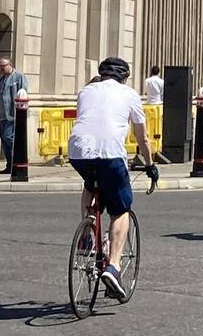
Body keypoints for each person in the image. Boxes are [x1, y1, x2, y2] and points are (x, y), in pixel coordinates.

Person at [68, 57, 158, 301]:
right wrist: (150, 165)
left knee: (90, 183)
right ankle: (114, 268)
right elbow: (143, 138)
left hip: (77, 151)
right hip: (110, 154)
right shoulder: (129, 94)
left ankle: (87, 234)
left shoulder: (85, 91)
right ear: (124, 77)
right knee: (121, 210)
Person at [0, 57, 27, 174]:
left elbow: (23, 93)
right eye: (0, 66)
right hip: (1, 116)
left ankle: (19, 159)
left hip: (13, 114)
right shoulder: (2, 80)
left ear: (10, 65)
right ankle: (10, 164)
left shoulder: (18, 77)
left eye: (3, 66)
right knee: (4, 140)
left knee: (8, 137)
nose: (1, 68)